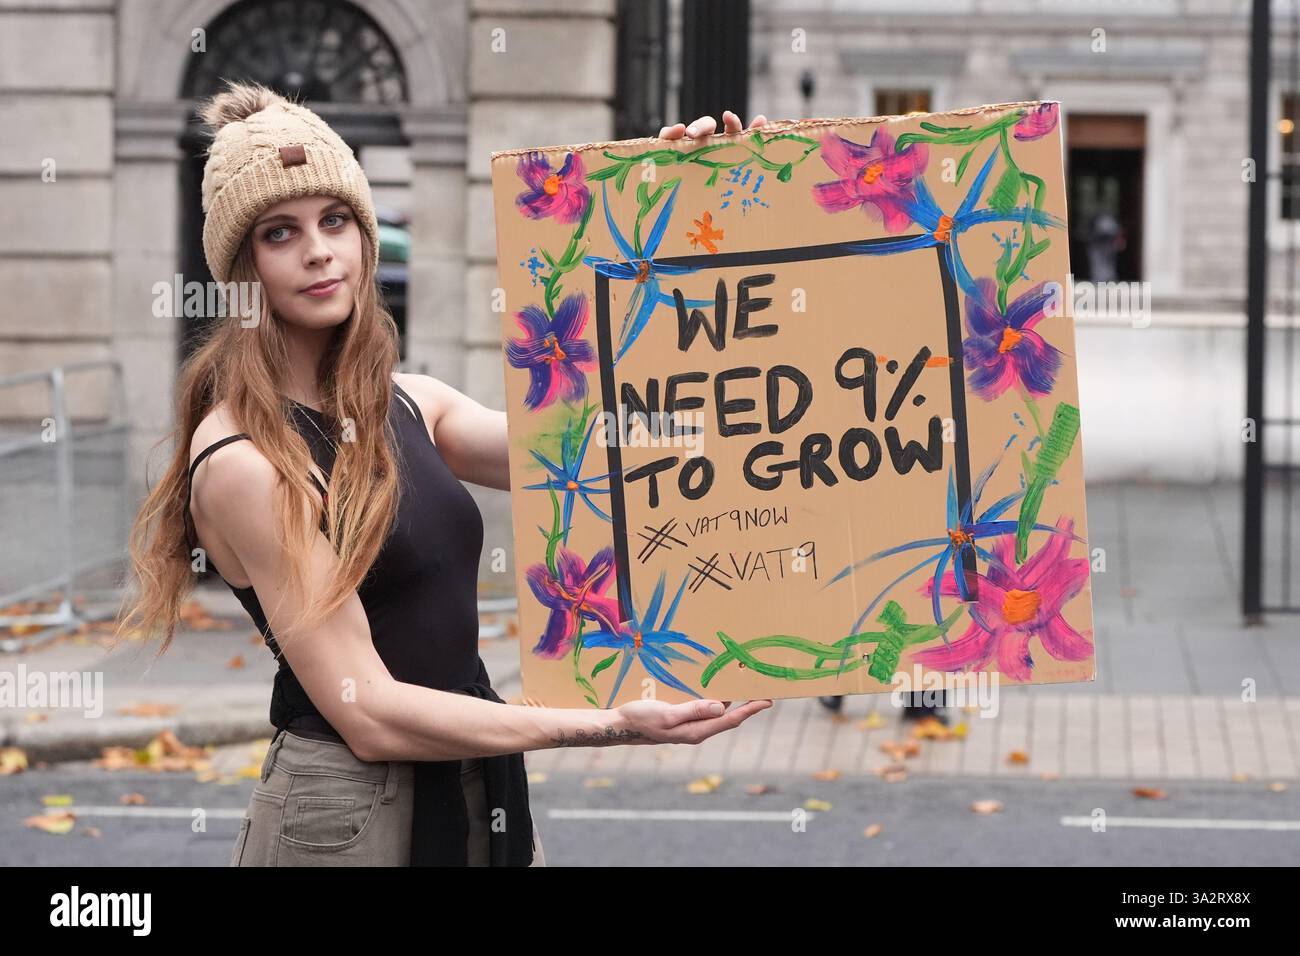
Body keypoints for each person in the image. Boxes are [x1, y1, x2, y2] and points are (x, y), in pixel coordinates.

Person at [115, 81, 772, 867]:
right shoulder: (245, 463)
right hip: (349, 813)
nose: (319, 250)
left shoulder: (410, 402)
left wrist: (697, 218)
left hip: (472, 783)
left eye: (335, 221)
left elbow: (633, 441)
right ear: (241, 267)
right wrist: (605, 723)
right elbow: (371, 712)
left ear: (365, 236)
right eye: (279, 233)